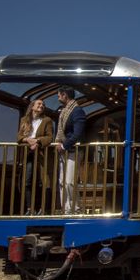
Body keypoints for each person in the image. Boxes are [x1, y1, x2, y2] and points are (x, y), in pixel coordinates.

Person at [17, 99, 54, 212]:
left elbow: (49, 137)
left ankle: (43, 209)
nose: (42, 105)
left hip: (42, 154)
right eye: (39, 104)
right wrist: (28, 140)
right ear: (32, 106)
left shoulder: (47, 120)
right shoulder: (24, 120)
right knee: (27, 180)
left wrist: (37, 142)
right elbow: (19, 137)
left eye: (43, 104)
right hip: (29, 154)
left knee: (43, 181)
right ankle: (30, 208)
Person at [55, 86, 86, 214]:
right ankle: (66, 209)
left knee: (70, 182)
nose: (58, 97)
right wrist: (59, 143)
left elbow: (77, 133)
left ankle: (75, 209)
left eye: (59, 95)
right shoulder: (64, 111)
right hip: (64, 151)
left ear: (65, 95)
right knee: (62, 182)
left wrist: (63, 145)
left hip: (73, 150)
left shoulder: (77, 111)